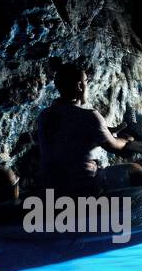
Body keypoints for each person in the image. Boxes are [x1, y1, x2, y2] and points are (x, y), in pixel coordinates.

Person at [36, 62, 136, 194]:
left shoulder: (45, 115)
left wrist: (104, 132)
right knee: (135, 169)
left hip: (51, 187)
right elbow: (115, 147)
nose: (87, 85)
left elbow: (70, 138)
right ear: (79, 86)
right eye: (86, 81)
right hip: (82, 187)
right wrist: (126, 140)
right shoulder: (89, 116)